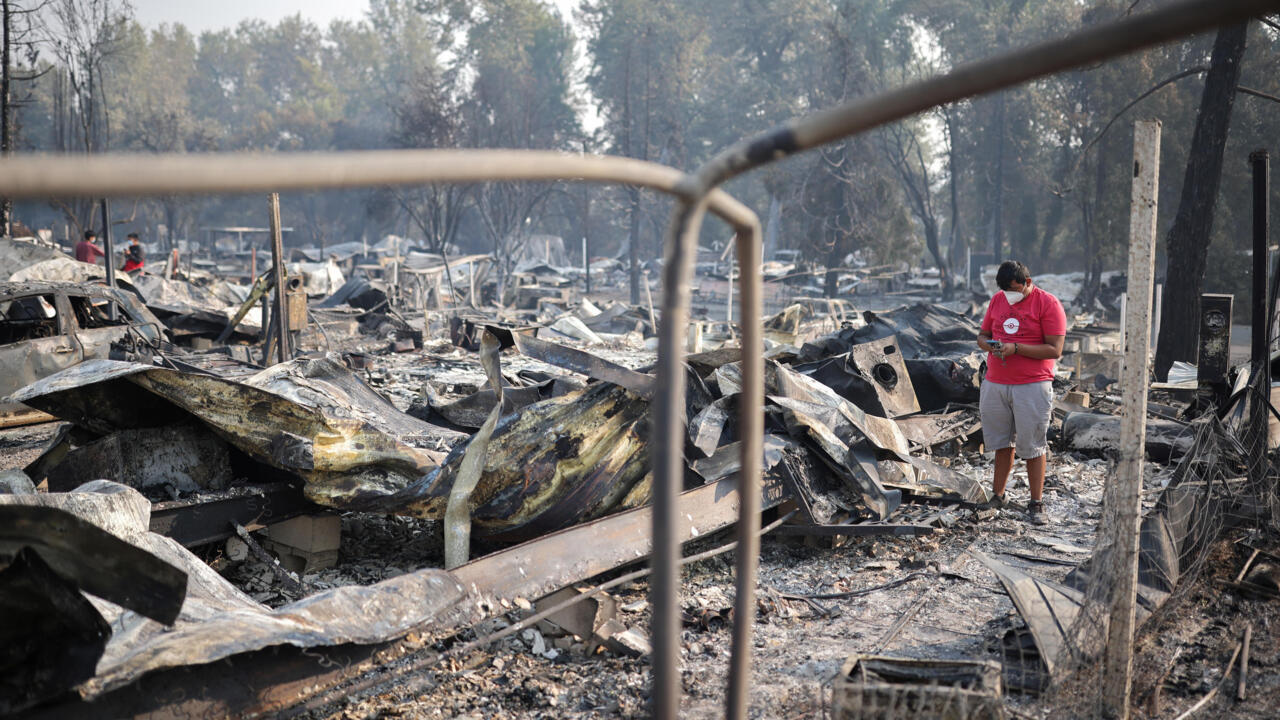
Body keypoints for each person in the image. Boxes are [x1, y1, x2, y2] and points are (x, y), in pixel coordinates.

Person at [976, 260, 1066, 525]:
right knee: (1001, 443)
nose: (1009, 295)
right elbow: (982, 334)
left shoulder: (1047, 304)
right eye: (1005, 290)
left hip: (1032, 384)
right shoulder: (997, 301)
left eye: (1014, 289)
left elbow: (1055, 349)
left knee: (1033, 446)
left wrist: (1016, 348)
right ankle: (998, 495)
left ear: (1027, 282)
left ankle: (1036, 502)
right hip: (996, 381)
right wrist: (989, 345)